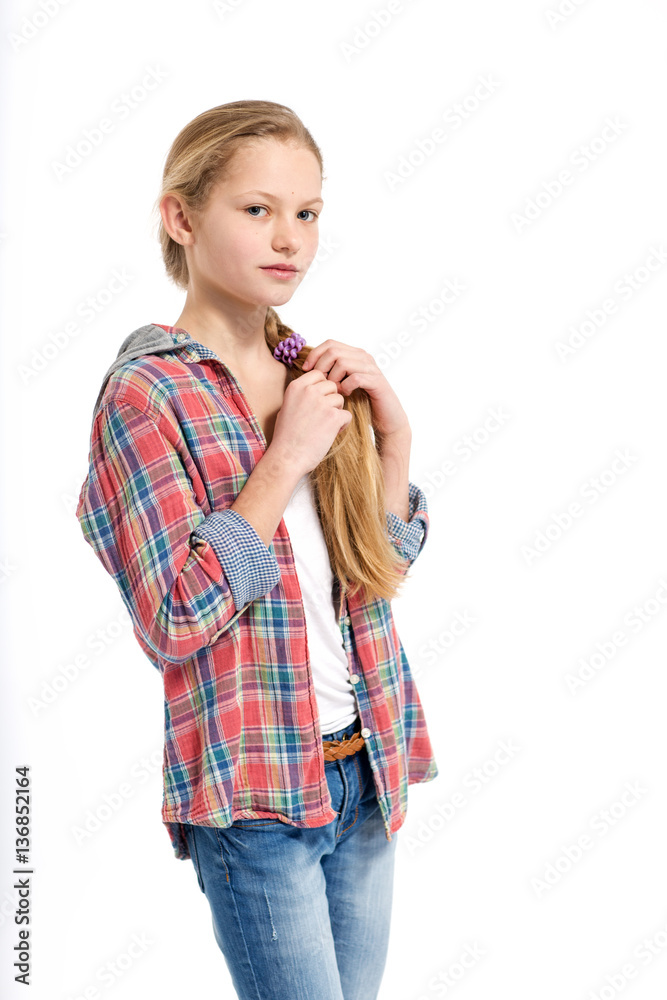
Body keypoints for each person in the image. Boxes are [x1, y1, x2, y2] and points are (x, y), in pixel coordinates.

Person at [76, 99, 438, 1000]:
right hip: (255, 794)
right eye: (257, 209)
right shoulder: (145, 398)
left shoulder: (315, 373)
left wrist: (392, 448)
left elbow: (372, 576)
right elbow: (171, 618)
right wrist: (283, 461)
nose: (290, 238)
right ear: (181, 216)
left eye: (308, 213)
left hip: (364, 769)